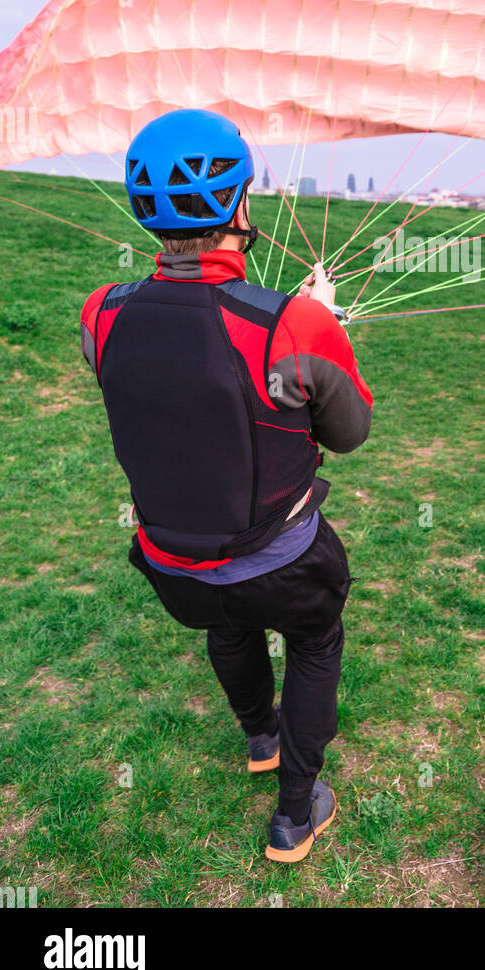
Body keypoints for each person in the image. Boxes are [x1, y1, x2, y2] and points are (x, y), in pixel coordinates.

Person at [79, 108, 373, 863]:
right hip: (281, 564)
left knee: (227, 618)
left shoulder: (100, 315)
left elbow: (178, 366)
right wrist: (317, 324)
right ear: (241, 207)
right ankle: (294, 812)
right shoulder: (295, 325)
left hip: (175, 570)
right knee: (315, 640)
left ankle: (261, 735)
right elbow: (347, 434)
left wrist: (297, 324)